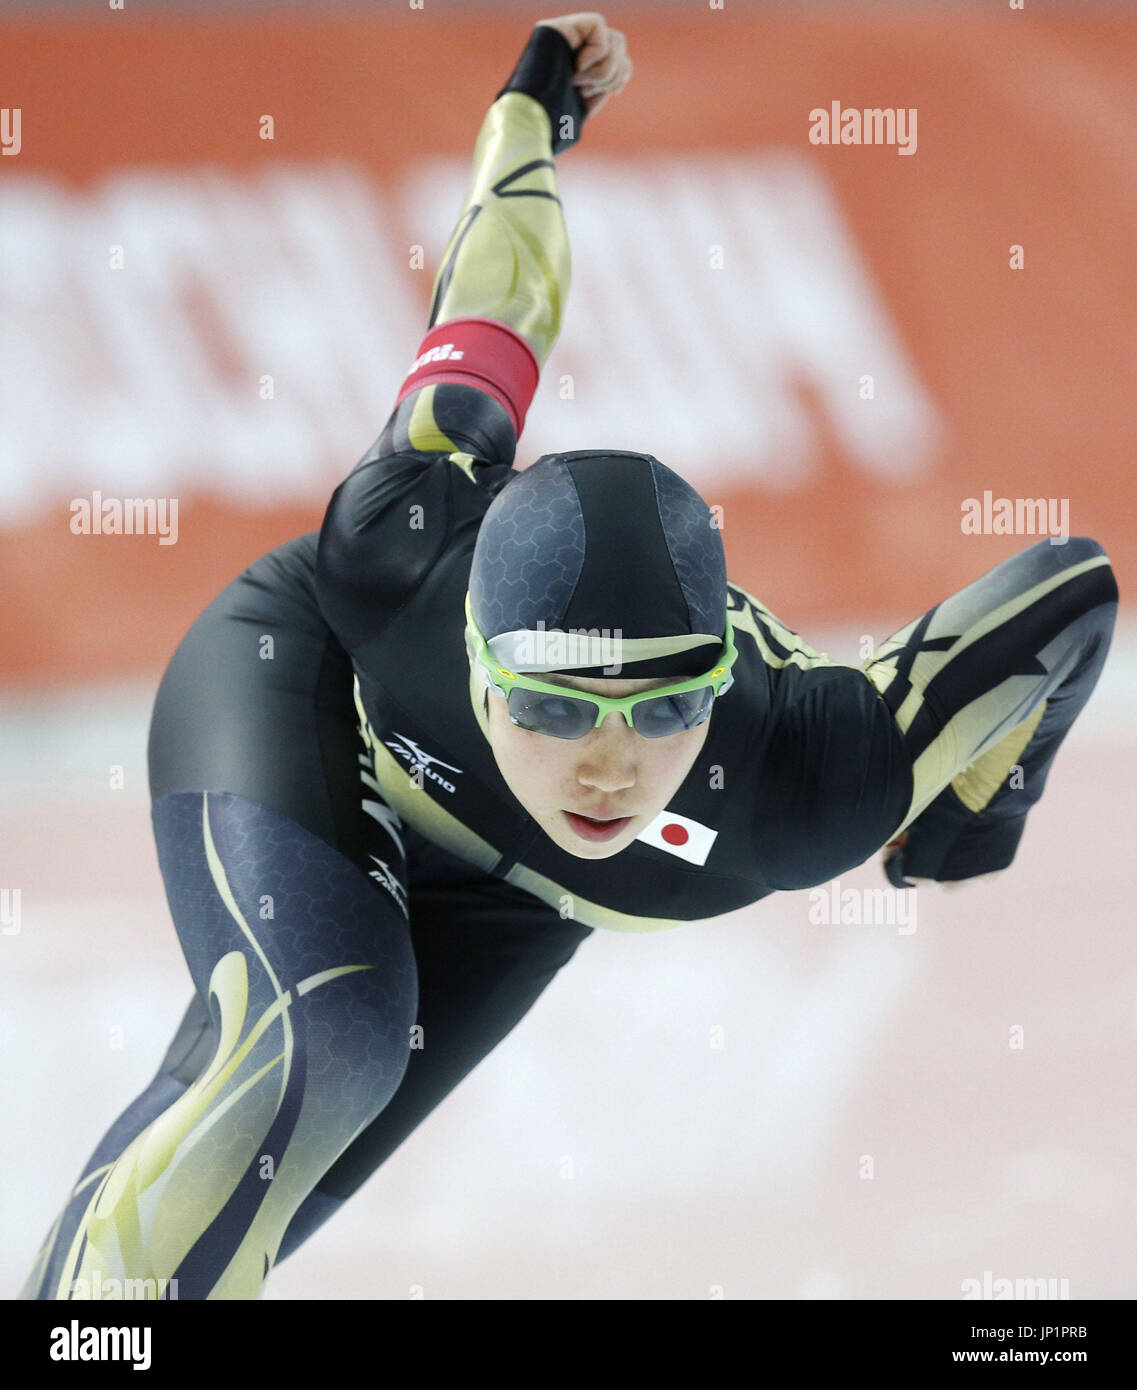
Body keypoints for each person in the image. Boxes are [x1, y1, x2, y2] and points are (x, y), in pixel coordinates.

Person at [20, 11, 1117, 1301]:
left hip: (524, 895)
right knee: (322, 1038)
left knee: (256, 1210)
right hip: (315, 686)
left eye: (661, 714)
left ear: (719, 690)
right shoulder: (398, 544)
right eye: (553, 705)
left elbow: (1076, 591)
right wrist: (534, 112)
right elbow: (502, 291)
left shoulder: (809, 777)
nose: (606, 765)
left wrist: (997, 791)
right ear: (483, 662)